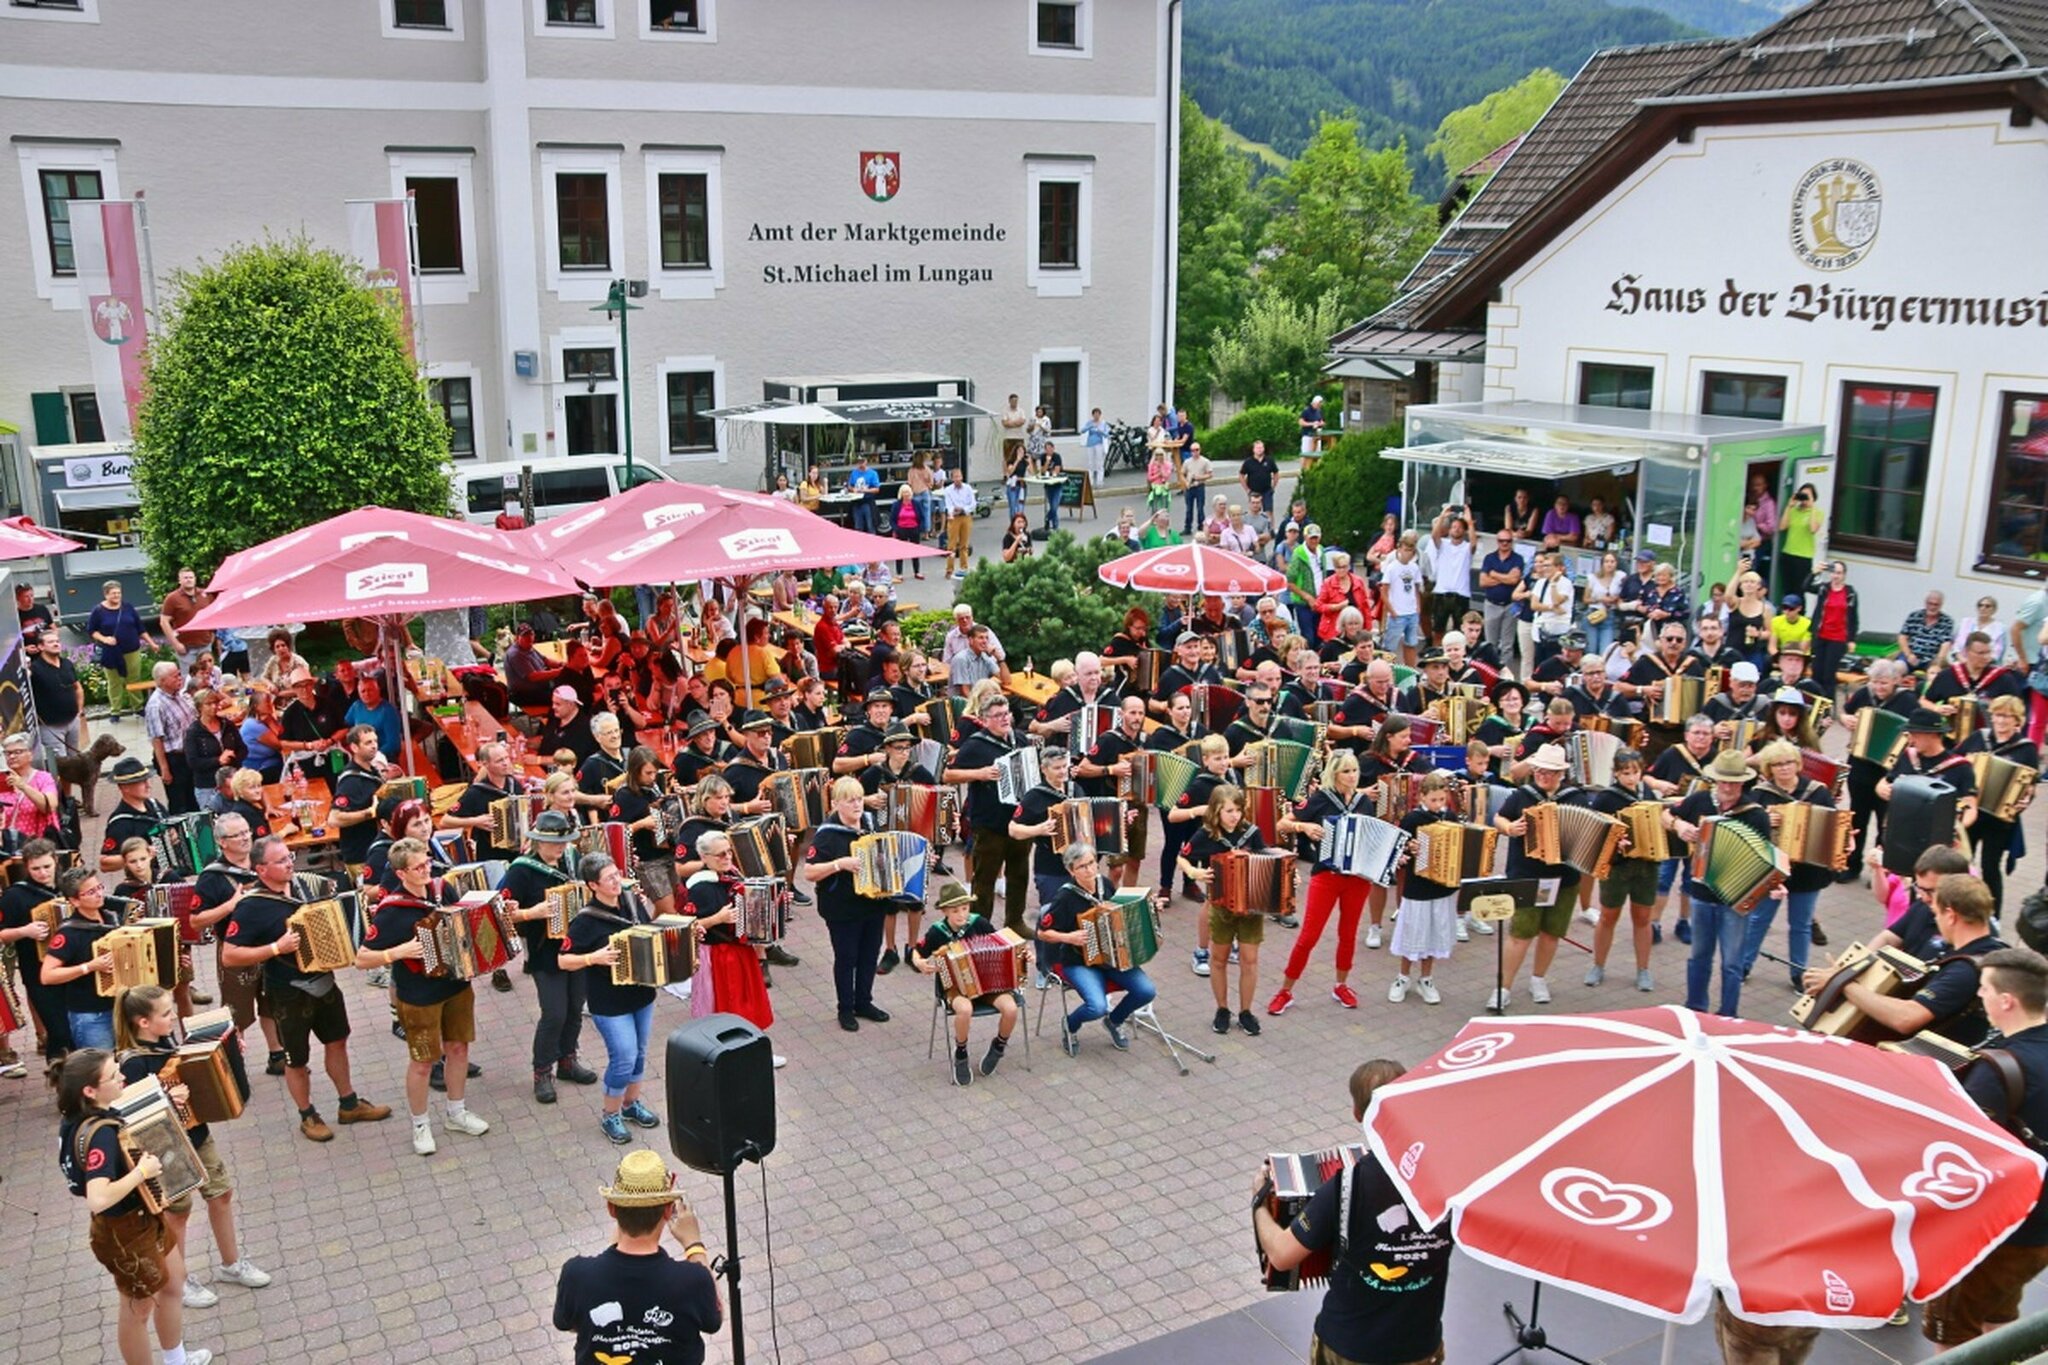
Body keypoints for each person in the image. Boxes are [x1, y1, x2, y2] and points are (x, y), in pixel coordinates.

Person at [1252, 1059, 1454, 1365]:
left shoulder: (1348, 1185)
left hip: (1349, 1345)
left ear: (1358, 1114)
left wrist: (1259, 1203)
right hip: (1420, 1345)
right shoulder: (1454, 1176)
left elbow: (1281, 1254)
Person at [223, 836, 394, 1141]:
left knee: (338, 1040)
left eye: (289, 857)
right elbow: (230, 955)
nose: (290, 863)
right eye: (281, 861)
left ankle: (349, 1104)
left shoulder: (304, 886)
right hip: (286, 990)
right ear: (261, 869)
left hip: (324, 982)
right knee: (296, 1058)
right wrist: (277, 947)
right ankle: (307, 1115)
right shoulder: (251, 906)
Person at [56, 1049, 219, 1365]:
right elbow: (98, 1197)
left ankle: (176, 1359)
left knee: (174, 1281)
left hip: (145, 1216)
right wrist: (140, 1174)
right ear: (90, 1091)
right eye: (114, 1076)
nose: (123, 1077)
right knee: (138, 1309)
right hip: (123, 1230)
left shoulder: (80, 1115)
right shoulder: (100, 1134)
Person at [1919, 946, 2048, 1344]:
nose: (1980, 997)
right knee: (1999, 1315)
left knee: (1955, 1336)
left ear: (2007, 1000)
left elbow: (1956, 1152)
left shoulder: (1999, 1069)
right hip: (2039, 1233)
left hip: (1998, 1228)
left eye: (1985, 989)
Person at [112, 985, 272, 1307]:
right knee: (178, 1214)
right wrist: (168, 1098)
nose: (175, 1017)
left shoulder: (165, 1042)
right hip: (165, 1148)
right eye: (166, 1013)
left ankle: (231, 1264)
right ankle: (178, 1280)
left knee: (222, 1193)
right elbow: (133, 1115)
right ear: (143, 1022)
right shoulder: (131, 1063)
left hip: (197, 1134)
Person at [357, 837, 491, 1156]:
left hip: (456, 985)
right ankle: (420, 1124)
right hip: (418, 994)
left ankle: (456, 1113)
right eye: (419, 867)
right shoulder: (391, 911)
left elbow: (462, 925)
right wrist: (397, 951)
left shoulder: (443, 889)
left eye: (428, 862)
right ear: (401, 873)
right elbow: (362, 958)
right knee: (422, 1062)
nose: (427, 870)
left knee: (458, 1048)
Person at [554, 1148, 723, 1364]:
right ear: (667, 1211)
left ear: (611, 1209)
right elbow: (714, 1319)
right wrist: (694, 1246)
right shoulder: (693, 1280)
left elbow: (567, 1323)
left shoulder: (576, 1275)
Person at [559, 852, 666, 1143]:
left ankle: (630, 1106)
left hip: (642, 993)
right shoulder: (586, 921)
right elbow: (564, 961)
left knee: (640, 1054)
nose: (617, 880)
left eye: (617, 873)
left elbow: (648, 932)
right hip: (608, 1001)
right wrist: (593, 957)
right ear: (593, 885)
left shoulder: (631, 901)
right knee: (623, 1057)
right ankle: (610, 1115)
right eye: (610, 878)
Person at [496, 810, 597, 1104]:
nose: (561, 847)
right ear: (538, 841)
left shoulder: (572, 860)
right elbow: (500, 911)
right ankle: (542, 1071)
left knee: (575, 1006)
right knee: (554, 1013)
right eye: (555, 842)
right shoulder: (522, 870)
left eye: (565, 841)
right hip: (544, 951)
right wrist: (532, 913)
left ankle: (567, 1060)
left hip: (577, 946)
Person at [1667, 751, 1776, 1018]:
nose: (1728, 787)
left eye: (1734, 782)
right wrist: (1679, 825)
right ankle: (1695, 1009)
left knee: (1732, 962)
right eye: (1723, 781)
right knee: (1699, 956)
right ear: (1715, 780)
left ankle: (1728, 1014)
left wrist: (1771, 884)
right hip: (1701, 894)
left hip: (1735, 899)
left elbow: (1765, 857)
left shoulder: (1755, 815)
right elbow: (1666, 815)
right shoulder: (1699, 800)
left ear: (1743, 783)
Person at [1269, 751, 1375, 1015]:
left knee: (1348, 935)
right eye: (1346, 771)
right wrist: (1303, 828)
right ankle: (1285, 990)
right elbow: (1282, 824)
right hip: (1326, 874)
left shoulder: (1364, 802)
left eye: (1355, 771)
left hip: (1358, 878)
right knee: (1309, 936)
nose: (1352, 776)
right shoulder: (1320, 799)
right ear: (1334, 774)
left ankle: (1341, 984)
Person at [1037, 843, 1158, 1055]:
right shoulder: (1065, 897)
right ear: (1071, 871)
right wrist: (1070, 937)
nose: (1090, 870)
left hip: (1111, 958)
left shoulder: (1104, 884)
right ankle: (1070, 1025)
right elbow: (1042, 933)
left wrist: (1146, 908)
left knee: (1146, 991)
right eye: (1082, 866)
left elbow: (1119, 912)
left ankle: (1114, 1021)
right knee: (1097, 1006)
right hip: (1078, 961)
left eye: (1092, 863)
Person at [1177, 783, 1266, 1036]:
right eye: (1229, 810)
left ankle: (1246, 1012)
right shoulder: (1206, 835)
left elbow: (1269, 859)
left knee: (1250, 961)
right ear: (1216, 810)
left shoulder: (1252, 833)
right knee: (1218, 960)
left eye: (1238, 809)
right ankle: (1222, 1009)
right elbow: (1182, 857)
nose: (1234, 815)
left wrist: (1288, 877)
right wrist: (1194, 872)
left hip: (1251, 907)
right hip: (1220, 905)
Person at [946, 692, 1032, 937]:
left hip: (1019, 821)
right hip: (989, 824)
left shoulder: (1021, 739)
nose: (1005, 718)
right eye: (998, 715)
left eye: (1006, 713)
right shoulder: (975, 745)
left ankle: (1015, 921)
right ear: (984, 720)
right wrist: (980, 773)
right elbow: (948, 775)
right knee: (984, 880)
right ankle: (979, 927)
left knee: (1019, 875)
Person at [1387, 772, 1461, 1006]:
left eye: (1442, 799)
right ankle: (1402, 977)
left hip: (1441, 889)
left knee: (1433, 935)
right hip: (1418, 888)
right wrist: (1410, 848)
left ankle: (1426, 979)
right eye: (1434, 800)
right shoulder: (1412, 819)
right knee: (1413, 933)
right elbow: (1399, 852)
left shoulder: (1450, 817)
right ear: (1422, 797)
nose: (1439, 805)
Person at [1, 838, 69, 1061]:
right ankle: (60, 1079)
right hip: (38, 973)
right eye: (35, 868)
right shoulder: (15, 896)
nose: (42, 873)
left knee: (75, 1029)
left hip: (72, 968)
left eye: (47, 866)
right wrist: (24, 931)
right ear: (27, 867)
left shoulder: (67, 886)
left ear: (56, 861)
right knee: (57, 1032)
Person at [88, 580, 157, 719]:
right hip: (111, 652)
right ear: (106, 594)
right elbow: (91, 630)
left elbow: (140, 628)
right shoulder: (98, 611)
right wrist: (105, 639)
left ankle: (137, 707)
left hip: (132, 650)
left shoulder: (128, 607)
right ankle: (115, 711)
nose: (117, 596)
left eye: (119, 593)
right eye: (113, 593)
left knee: (134, 679)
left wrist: (151, 643)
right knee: (114, 681)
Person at [25, 624, 86, 773]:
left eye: (57, 640)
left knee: (75, 762)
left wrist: (79, 711)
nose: (56, 644)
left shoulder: (67, 664)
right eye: (51, 642)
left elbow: (77, 688)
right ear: (40, 647)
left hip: (73, 721)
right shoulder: (35, 669)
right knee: (61, 766)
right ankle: (65, 795)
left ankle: (72, 795)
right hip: (50, 727)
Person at [143, 661, 199, 815]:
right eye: (175, 676)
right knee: (179, 803)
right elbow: (156, 739)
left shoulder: (179, 695)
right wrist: (164, 768)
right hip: (173, 758)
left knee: (193, 799)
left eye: (179, 674)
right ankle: (180, 835)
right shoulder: (156, 705)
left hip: (188, 754)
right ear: (162, 681)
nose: (180, 678)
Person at [1899, 591, 1956, 677]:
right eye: (1930, 603)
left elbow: (1946, 644)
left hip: (1931, 659)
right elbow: (1902, 637)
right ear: (1925, 603)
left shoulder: (1947, 621)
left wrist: (1938, 661)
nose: (1932, 607)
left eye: (1936, 604)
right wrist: (1909, 655)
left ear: (1941, 605)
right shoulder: (1914, 616)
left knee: (1936, 675)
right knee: (1897, 668)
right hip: (1910, 656)